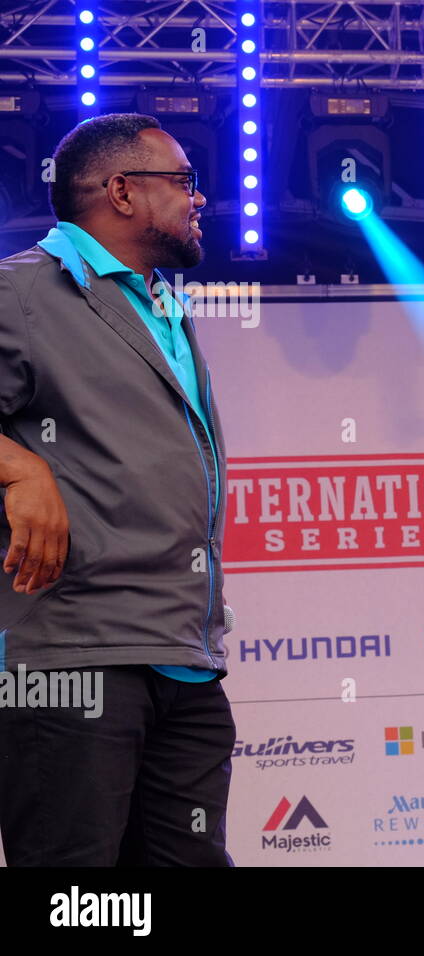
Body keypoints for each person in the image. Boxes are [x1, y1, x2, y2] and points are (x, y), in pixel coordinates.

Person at [0, 113, 235, 865]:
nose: (201, 198)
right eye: (184, 182)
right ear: (122, 192)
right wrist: (20, 466)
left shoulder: (159, 296)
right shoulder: (24, 291)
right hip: (73, 660)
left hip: (184, 656)